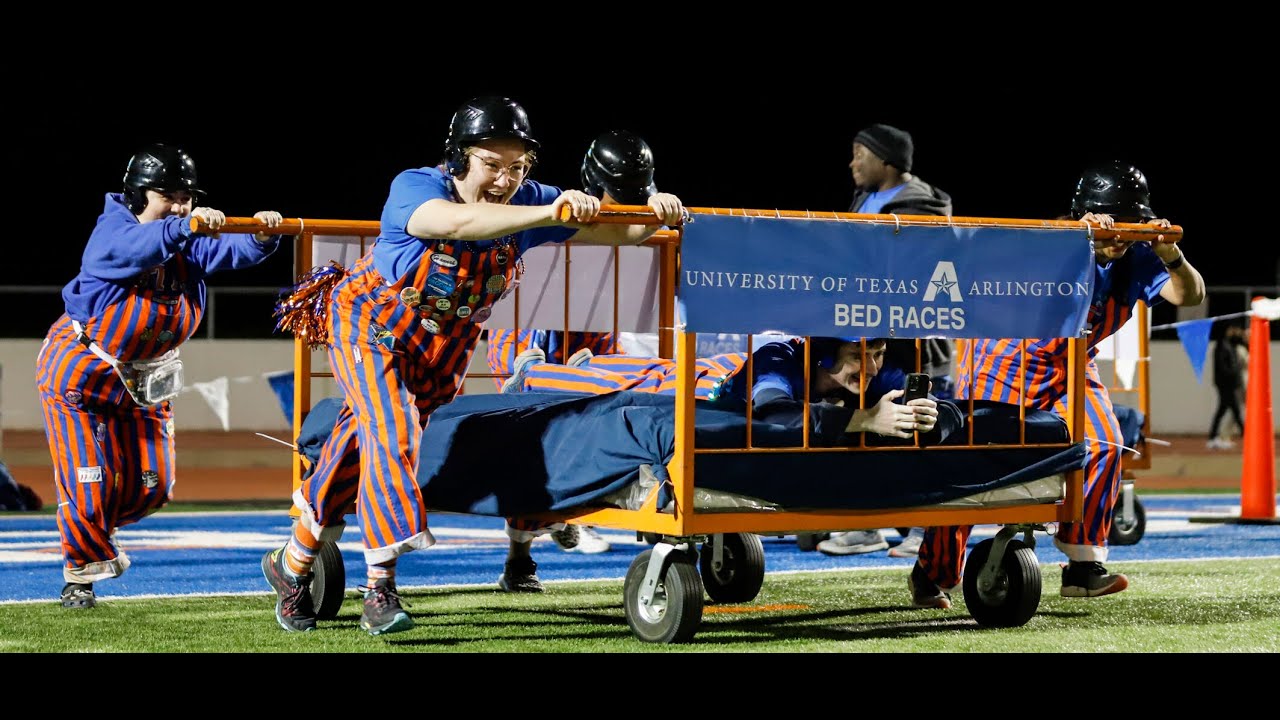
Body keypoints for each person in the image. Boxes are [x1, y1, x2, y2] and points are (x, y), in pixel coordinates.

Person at [264, 97, 685, 636]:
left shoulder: (531, 200)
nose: (505, 179)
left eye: (518, 167)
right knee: (391, 431)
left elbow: (617, 233)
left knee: (355, 439)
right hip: (371, 324)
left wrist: (654, 210)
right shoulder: (415, 186)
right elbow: (456, 222)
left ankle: (293, 561)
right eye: (492, 164)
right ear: (459, 157)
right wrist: (548, 214)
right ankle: (380, 588)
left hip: (446, 345)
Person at [917, 160, 1205, 609]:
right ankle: (931, 572)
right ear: (1084, 214)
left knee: (1107, 442)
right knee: (971, 471)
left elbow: (1190, 295)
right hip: (1001, 365)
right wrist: (1077, 241)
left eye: (1128, 226)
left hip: (1071, 369)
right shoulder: (1048, 240)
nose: (1117, 239)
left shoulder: (1138, 256)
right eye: (1111, 225)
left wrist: (1172, 254)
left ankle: (1081, 564)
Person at [36, 143, 283, 609]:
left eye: (186, 195)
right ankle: (79, 579)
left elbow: (227, 251)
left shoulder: (184, 234)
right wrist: (181, 224)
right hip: (79, 377)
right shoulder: (115, 229)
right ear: (136, 196)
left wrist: (260, 237)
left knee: (153, 486)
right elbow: (133, 249)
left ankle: (96, 527)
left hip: (146, 380)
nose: (181, 204)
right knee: (88, 482)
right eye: (168, 194)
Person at [486, 129, 665, 555]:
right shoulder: (557, 208)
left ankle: (572, 510)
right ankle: (521, 555)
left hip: (593, 332)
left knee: (602, 418)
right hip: (529, 331)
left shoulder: (639, 213)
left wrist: (660, 211)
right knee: (532, 429)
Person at [830, 123, 956, 557]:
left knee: (920, 430)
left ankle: (925, 530)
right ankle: (867, 524)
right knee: (865, 430)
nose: (852, 163)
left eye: (858, 154)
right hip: (868, 344)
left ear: (885, 160)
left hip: (915, 349)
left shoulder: (923, 206)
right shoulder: (865, 200)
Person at [505, 336, 961, 446]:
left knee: (650, 371)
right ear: (824, 352)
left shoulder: (869, 371)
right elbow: (776, 415)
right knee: (636, 385)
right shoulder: (781, 357)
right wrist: (863, 419)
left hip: (722, 377)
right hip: (711, 386)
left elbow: (932, 400)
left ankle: (589, 364)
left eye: (879, 352)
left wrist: (929, 412)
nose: (875, 364)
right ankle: (539, 373)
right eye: (863, 353)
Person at [1207, 323, 1247, 448]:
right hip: (1226, 384)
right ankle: (1246, 435)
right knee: (1234, 410)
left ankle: (1213, 436)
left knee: (1223, 410)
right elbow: (1224, 367)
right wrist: (1233, 374)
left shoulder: (1228, 345)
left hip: (1229, 383)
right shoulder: (1221, 346)